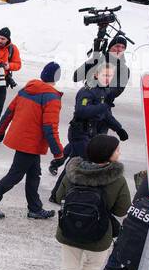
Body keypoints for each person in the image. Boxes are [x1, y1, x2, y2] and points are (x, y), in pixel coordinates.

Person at [52, 134, 131, 270]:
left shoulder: (73, 172)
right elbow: (122, 210)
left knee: (69, 265)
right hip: (99, 233)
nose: (119, 152)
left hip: (69, 228)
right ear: (109, 154)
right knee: (95, 263)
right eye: (117, 149)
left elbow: (58, 197)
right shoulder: (117, 180)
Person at [0, 62, 63, 221]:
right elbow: (50, 127)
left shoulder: (27, 89)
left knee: (34, 174)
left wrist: (0, 132)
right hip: (30, 142)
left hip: (25, 140)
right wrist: (58, 152)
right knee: (15, 175)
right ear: (56, 77)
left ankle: (35, 208)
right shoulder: (51, 97)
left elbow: (9, 112)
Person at [48, 62, 128, 193]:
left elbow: (106, 114)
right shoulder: (87, 91)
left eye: (110, 76)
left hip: (91, 133)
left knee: (75, 161)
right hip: (79, 132)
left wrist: (119, 129)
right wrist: (103, 106)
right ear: (96, 75)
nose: (108, 78)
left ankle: (60, 192)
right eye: (105, 75)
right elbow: (81, 111)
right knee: (83, 162)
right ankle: (60, 192)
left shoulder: (104, 90)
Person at [73, 33, 131, 102]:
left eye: (123, 47)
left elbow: (116, 91)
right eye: (117, 46)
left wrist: (97, 88)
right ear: (110, 47)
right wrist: (92, 61)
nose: (120, 49)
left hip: (102, 107)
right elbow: (76, 77)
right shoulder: (98, 60)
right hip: (84, 102)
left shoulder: (123, 69)